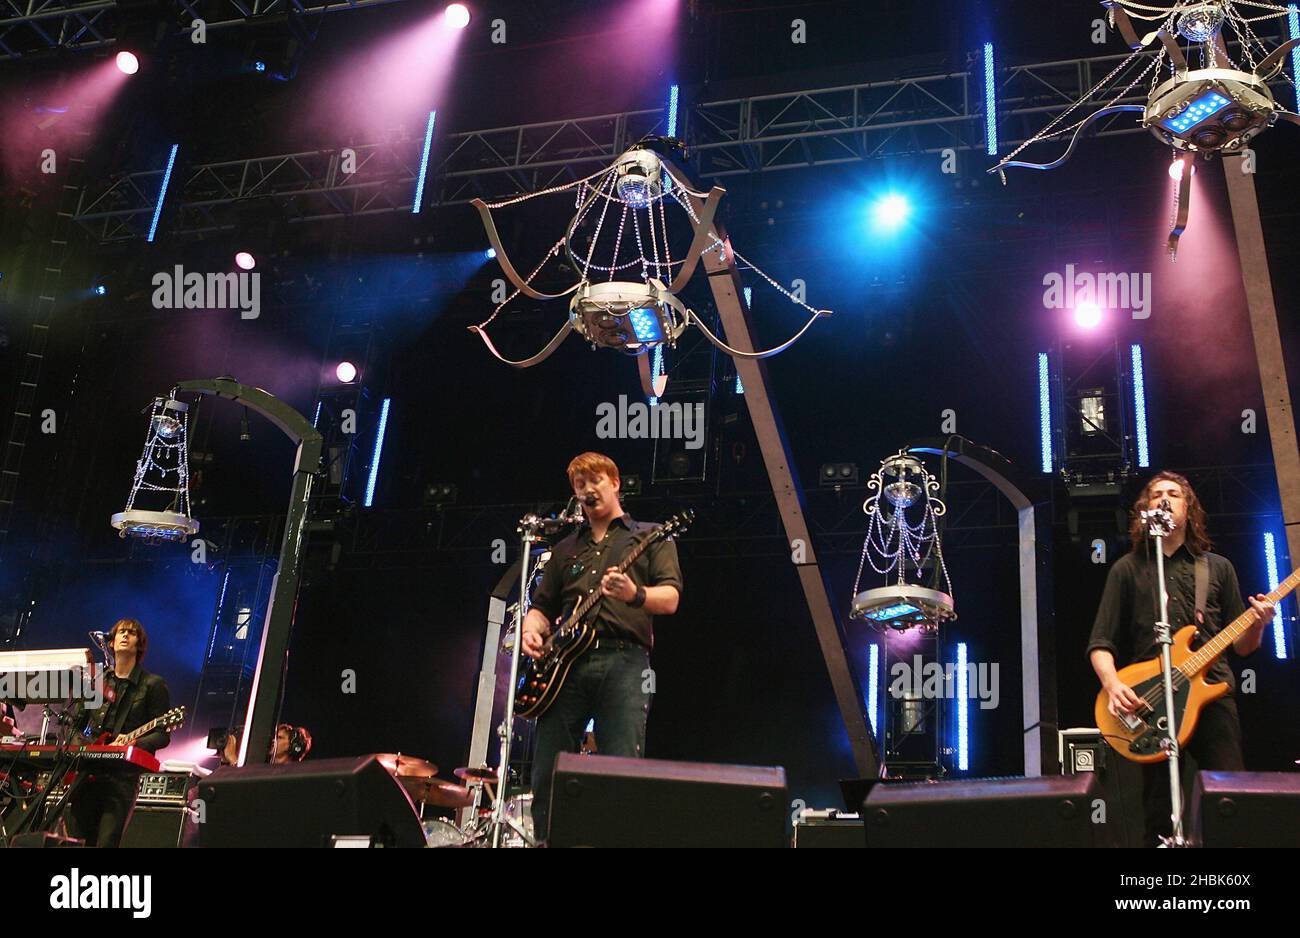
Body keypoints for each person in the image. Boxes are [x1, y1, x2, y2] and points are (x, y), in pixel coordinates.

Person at [1088, 471, 1272, 845]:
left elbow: (1243, 647)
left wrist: (1259, 624)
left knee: (1227, 796)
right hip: (1151, 702)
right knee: (1158, 807)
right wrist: (1113, 684)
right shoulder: (1127, 569)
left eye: (1174, 494)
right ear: (1145, 510)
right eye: (1157, 495)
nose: (1165, 500)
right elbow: (1100, 641)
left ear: (1189, 509)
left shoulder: (1217, 567)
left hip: (1212, 694)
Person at [521, 452, 682, 843]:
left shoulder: (649, 535)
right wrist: (532, 626)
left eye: (595, 481)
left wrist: (635, 592)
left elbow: (671, 598)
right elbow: (543, 606)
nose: (587, 490)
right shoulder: (563, 550)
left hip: (625, 661)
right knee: (549, 770)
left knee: (622, 766)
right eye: (580, 485)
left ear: (614, 483)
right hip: (565, 670)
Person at [65, 618, 171, 847]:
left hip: (122, 779)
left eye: (131, 633)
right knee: (75, 842)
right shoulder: (96, 681)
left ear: (139, 645)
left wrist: (133, 744)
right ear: (111, 643)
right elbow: (75, 725)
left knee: (107, 842)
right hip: (87, 774)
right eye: (121, 632)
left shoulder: (153, 685)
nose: (125, 636)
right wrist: (83, 749)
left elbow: (162, 734)